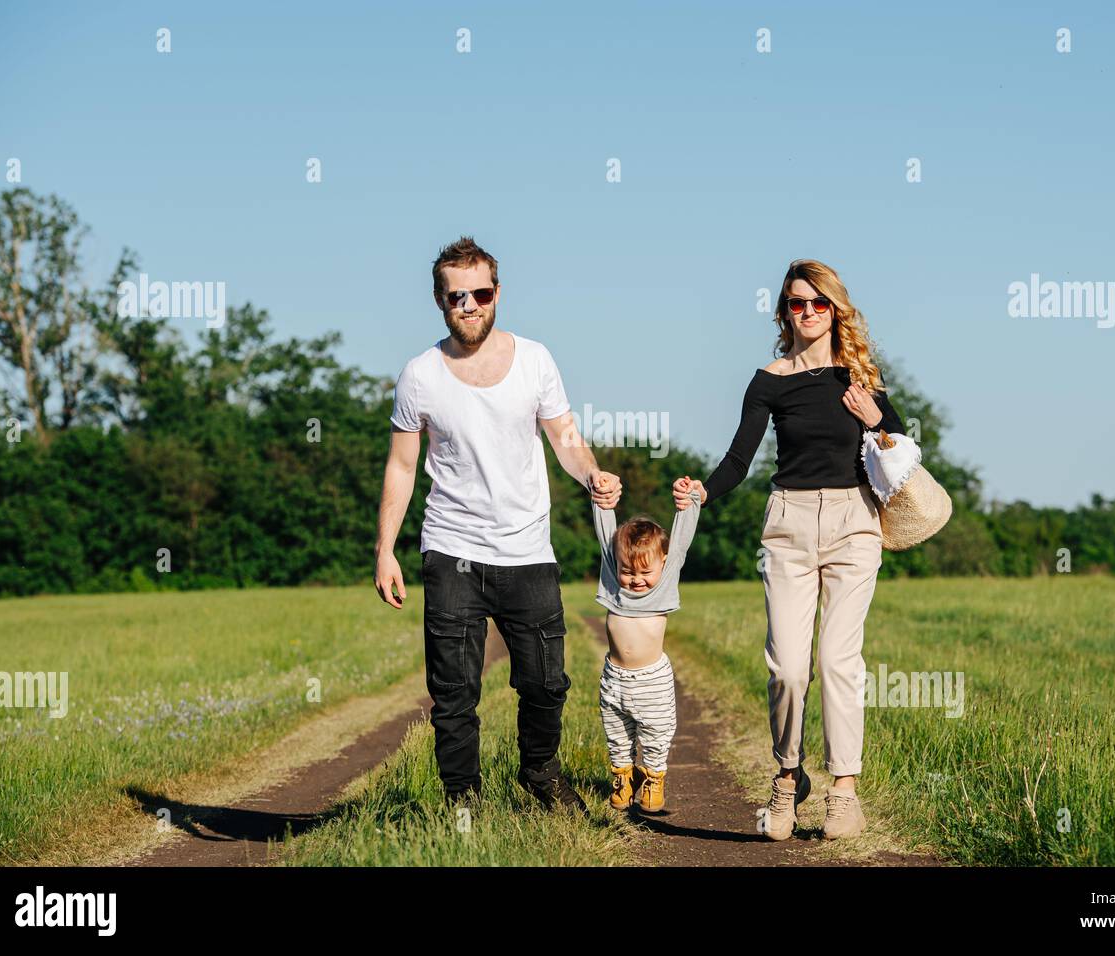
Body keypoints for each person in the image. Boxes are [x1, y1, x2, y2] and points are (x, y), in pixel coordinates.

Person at [373, 236, 622, 811]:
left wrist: (591, 475)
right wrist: (385, 548)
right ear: (440, 300)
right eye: (456, 295)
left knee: (545, 683)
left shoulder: (535, 359)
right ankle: (463, 800)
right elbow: (402, 464)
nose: (469, 305)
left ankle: (539, 773)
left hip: (528, 550)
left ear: (497, 294)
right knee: (454, 690)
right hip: (451, 548)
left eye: (480, 293)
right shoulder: (420, 375)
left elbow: (564, 437)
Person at [672, 258, 905, 841]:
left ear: (834, 310)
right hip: (789, 525)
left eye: (817, 304)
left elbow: (900, 445)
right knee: (788, 667)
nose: (806, 313)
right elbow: (738, 459)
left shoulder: (857, 376)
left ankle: (844, 791)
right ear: (783, 313)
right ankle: (787, 777)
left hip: (855, 522)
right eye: (796, 304)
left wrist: (874, 415)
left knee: (837, 661)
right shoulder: (768, 381)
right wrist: (703, 489)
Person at [590, 479, 701, 813]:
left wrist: (690, 501)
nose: (635, 578)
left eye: (644, 571)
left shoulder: (664, 586)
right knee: (617, 736)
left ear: (664, 564)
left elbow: (681, 541)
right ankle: (623, 777)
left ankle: (653, 777)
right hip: (615, 679)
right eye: (627, 570)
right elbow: (604, 535)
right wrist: (602, 501)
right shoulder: (614, 584)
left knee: (656, 732)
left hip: (652, 681)